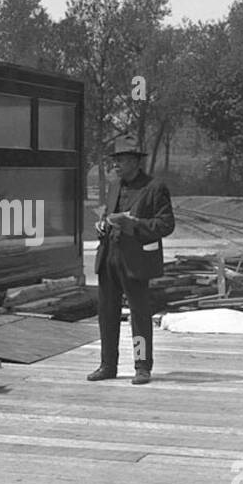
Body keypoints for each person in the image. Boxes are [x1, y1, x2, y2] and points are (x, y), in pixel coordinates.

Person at [89, 135, 176, 385]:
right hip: (109, 258)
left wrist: (134, 225)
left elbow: (166, 224)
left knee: (138, 315)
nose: (116, 165)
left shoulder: (154, 187)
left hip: (136, 261)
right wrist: (102, 225)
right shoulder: (114, 186)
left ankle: (141, 366)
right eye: (115, 160)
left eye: (122, 160)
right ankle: (107, 365)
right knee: (106, 313)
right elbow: (107, 216)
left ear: (136, 162)